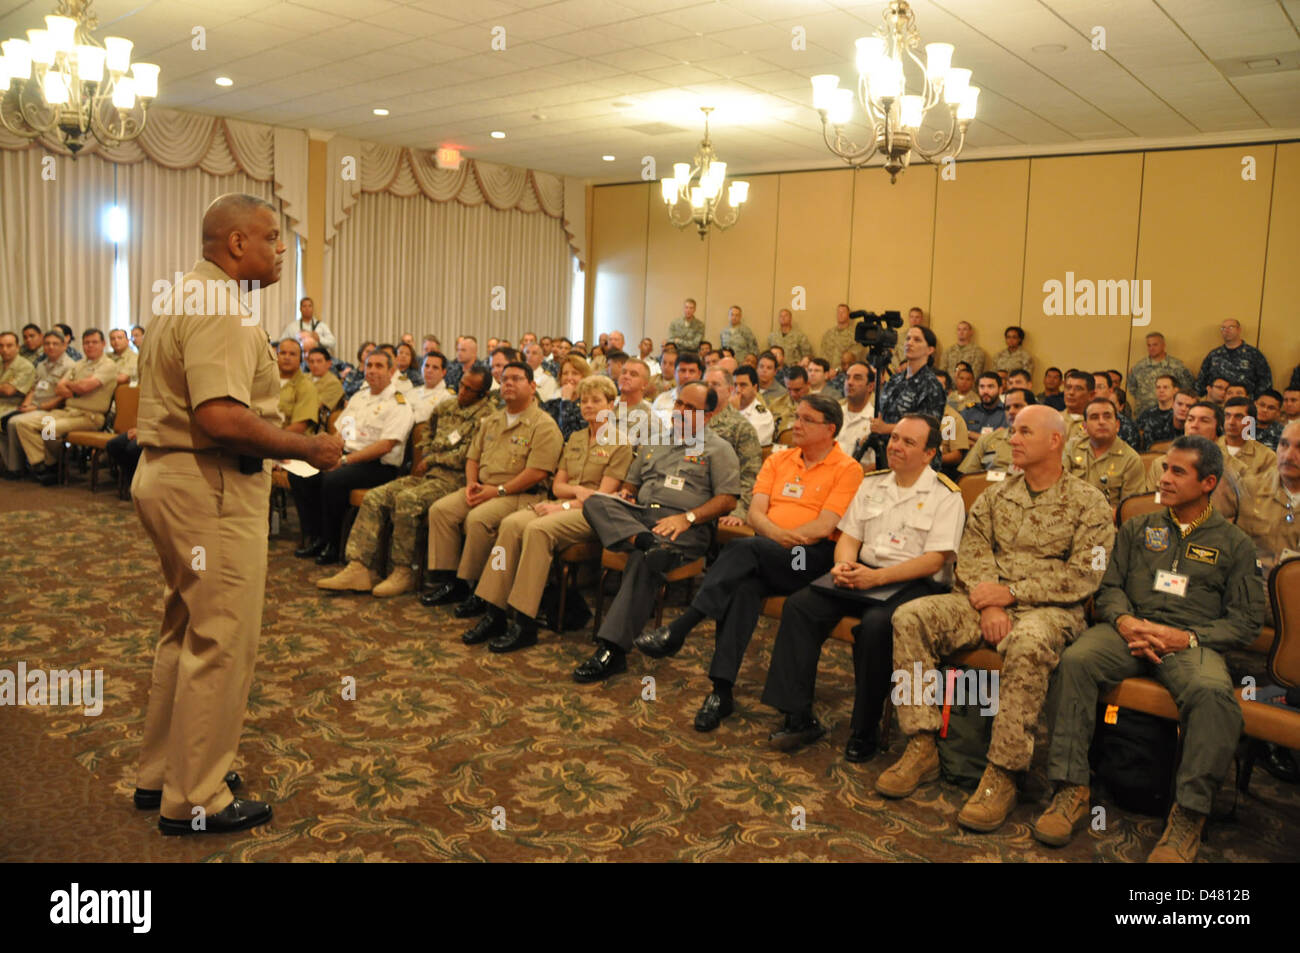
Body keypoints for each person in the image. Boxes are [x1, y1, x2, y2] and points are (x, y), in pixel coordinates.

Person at [132, 193, 342, 835]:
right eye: (274, 238)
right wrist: (310, 446)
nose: (282, 250)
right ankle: (196, 798)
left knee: (185, 627)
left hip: (172, 478)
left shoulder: (187, 296)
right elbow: (219, 417)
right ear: (236, 245)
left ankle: (163, 773)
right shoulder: (221, 306)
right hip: (209, 487)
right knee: (222, 638)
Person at [876, 405, 1114, 833]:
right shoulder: (997, 494)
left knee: (1027, 645)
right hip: (984, 601)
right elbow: (972, 551)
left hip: (1051, 611)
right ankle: (922, 742)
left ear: (1055, 441)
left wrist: (1014, 593)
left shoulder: (1089, 502)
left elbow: (1086, 573)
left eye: (1024, 432)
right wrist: (990, 603)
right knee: (910, 616)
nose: (1013, 438)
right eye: (1013, 430)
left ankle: (1003, 772)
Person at [1037, 435, 1265, 861]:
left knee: (1213, 694)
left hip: (1190, 640)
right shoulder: (1139, 528)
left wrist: (1189, 638)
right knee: (1077, 660)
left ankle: (1189, 815)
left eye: (1179, 471)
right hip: (1129, 630)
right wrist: (1125, 621)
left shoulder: (1234, 544)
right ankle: (1070, 788)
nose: (1165, 478)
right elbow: (1108, 589)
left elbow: (1246, 622)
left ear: (1208, 482)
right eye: (1165, 468)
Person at [637, 395, 863, 729]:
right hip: (769, 551)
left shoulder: (848, 468)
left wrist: (785, 539)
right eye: (796, 417)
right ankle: (721, 690)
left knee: (742, 552)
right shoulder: (779, 460)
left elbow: (825, 525)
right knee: (741, 588)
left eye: (806, 420)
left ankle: (681, 627)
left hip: (807, 557)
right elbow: (756, 512)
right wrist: (775, 535)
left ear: (830, 429)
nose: (795, 425)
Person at [760, 413, 963, 759]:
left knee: (876, 627)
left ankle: (864, 728)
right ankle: (797, 717)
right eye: (895, 437)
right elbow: (850, 536)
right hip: (861, 573)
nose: (895, 446)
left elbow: (934, 560)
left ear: (930, 453)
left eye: (908, 442)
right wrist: (842, 565)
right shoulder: (872, 483)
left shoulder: (946, 495)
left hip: (913, 582)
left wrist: (877, 577)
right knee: (801, 606)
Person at [575, 381, 741, 682]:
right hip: (641, 519)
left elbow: (728, 499)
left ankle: (612, 649)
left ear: (708, 415)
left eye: (690, 408)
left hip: (684, 527)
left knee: (644, 559)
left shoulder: (719, 449)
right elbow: (631, 485)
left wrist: (688, 517)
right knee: (596, 501)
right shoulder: (655, 441)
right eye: (679, 404)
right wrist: (625, 495)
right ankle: (648, 543)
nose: (681, 411)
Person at [466, 375, 635, 650]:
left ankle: (524, 621)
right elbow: (558, 484)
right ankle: (494, 610)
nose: (588, 406)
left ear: (612, 405)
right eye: (584, 400)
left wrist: (567, 501)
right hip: (564, 505)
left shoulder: (620, 443)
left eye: (596, 401)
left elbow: (601, 498)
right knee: (510, 524)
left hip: (594, 515)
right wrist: (575, 493)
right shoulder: (576, 438)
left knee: (537, 529)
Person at [319, 369, 494, 598]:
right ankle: (360, 566)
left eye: (470, 389)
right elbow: (427, 432)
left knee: (408, 500)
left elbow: (468, 456)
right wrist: (428, 451)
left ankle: (404, 571)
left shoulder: (487, 417)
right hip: (430, 474)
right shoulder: (447, 406)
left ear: (482, 393)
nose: (462, 391)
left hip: (457, 480)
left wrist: (432, 458)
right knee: (376, 496)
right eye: (461, 385)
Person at [420, 362, 564, 615]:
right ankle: (450, 582)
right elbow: (472, 457)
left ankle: (475, 587)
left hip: (520, 494)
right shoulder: (492, 420)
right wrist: (471, 483)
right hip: (483, 488)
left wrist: (498, 491)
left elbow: (537, 472)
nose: (508, 383)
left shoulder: (543, 424)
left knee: (478, 519)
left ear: (532, 387)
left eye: (516, 379)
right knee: (441, 510)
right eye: (505, 379)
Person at [290, 348, 414, 565]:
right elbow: (343, 433)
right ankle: (316, 536)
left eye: (379, 366)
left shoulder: (399, 403)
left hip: (377, 466)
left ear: (392, 370)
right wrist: (330, 454)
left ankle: (334, 543)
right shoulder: (359, 397)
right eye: (369, 365)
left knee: (333, 480)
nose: (372, 371)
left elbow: (385, 445)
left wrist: (344, 461)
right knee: (301, 473)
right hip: (347, 458)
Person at [12, 329, 118, 485]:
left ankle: (53, 466)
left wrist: (74, 387)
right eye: (86, 342)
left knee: (49, 429)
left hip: (90, 417)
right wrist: (77, 387)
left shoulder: (108, 365)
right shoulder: (79, 364)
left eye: (94, 342)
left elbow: (84, 387)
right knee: (23, 423)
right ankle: (43, 464)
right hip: (66, 412)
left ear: (103, 344)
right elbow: (60, 388)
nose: (90, 346)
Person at [0, 331, 74, 477]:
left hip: (52, 409)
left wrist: (38, 407)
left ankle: (45, 464)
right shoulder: (41, 365)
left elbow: (63, 398)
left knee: (16, 422)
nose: (50, 347)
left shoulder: (70, 366)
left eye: (55, 344)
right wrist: (26, 406)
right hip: (35, 407)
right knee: (10, 420)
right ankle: (25, 465)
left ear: (64, 346)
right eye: (47, 344)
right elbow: (33, 389)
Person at [1064, 397, 1146, 511]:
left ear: (1117, 425)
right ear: (1085, 427)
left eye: (1107, 416)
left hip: (1107, 523)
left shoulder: (1131, 459)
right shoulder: (1071, 449)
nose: (1101, 422)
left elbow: (1129, 510)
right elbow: (1057, 490)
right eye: (1094, 417)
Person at [703, 366, 763, 522]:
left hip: (719, 501)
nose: (708, 389)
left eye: (715, 384)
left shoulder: (741, 428)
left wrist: (739, 512)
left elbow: (750, 474)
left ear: (730, 390)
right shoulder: (690, 420)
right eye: (705, 384)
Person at [959, 388, 1033, 474]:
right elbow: (966, 477)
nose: (1011, 411)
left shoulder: (1044, 440)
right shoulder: (988, 439)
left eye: (1017, 406)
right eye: (1007, 408)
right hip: (990, 485)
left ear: (1032, 408)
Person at [1196, 318, 1272, 400]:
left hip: (1244, 403)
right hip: (1217, 402)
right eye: (1223, 328)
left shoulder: (1253, 354)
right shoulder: (1214, 355)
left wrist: (1256, 401)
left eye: (1231, 327)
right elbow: (1201, 380)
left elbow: (1265, 381)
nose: (1226, 330)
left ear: (1239, 330)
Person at [1129, 332, 1195, 415]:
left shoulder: (1177, 366)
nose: (1151, 348)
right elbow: (1132, 389)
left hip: (1170, 415)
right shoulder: (1139, 367)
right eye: (1149, 345)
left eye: (1155, 345)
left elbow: (1187, 389)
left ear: (1163, 345)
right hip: (1144, 414)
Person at [1220, 396, 1277, 480]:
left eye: (1238, 417)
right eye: (1227, 416)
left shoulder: (1266, 457)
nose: (1231, 422)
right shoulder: (1209, 449)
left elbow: (1269, 489)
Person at [836, 361, 876, 466]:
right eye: (848, 377)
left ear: (870, 387)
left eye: (857, 378)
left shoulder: (875, 421)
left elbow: (875, 465)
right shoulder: (834, 413)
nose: (850, 382)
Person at [275, 338, 319, 434]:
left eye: (292, 354)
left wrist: (268, 440)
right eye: (283, 353)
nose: (287, 357)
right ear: (276, 356)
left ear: (300, 359)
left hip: (289, 443)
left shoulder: (306, 387)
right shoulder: (266, 381)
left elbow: (299, 428)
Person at [732, 365, 776, 447]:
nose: (737, 390)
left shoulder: (762, 415)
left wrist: (733, 414)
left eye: (743, 385)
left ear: (755, 388)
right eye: (735, 385)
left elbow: (745, 445)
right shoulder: (727, 408)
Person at [1135, 374, 1178, 450]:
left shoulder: (1179, 414)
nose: (1161, 390)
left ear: (1175, 390)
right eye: (1158, 387)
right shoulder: (1147, 414)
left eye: (1165, 387)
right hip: (1148, 456)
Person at [0, 331, 36, 418]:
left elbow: (8, 390)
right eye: (1, 346)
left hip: (11, 408)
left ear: (17, 347)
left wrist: (5, 387)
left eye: (9, 346)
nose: (4, 349)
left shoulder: (25, 366)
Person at [409, 350, 450, 424]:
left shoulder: (447, 398)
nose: (429, 370)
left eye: (435, 368)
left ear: (443, 372)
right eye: (426, 366)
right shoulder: (412, 392)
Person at [1058, 369, 1093, 446]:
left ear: (1091, 395)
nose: (1071, 392)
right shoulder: (1053, 419)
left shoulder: (1094, 423)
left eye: (1078, 389)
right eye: (1068, 387)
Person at [306, 346, 345, 415]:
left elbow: (316, 407)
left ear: (329, 364)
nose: (315, 365)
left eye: (319, 361)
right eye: (311, 361)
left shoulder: (333, 383)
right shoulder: (304, 377)